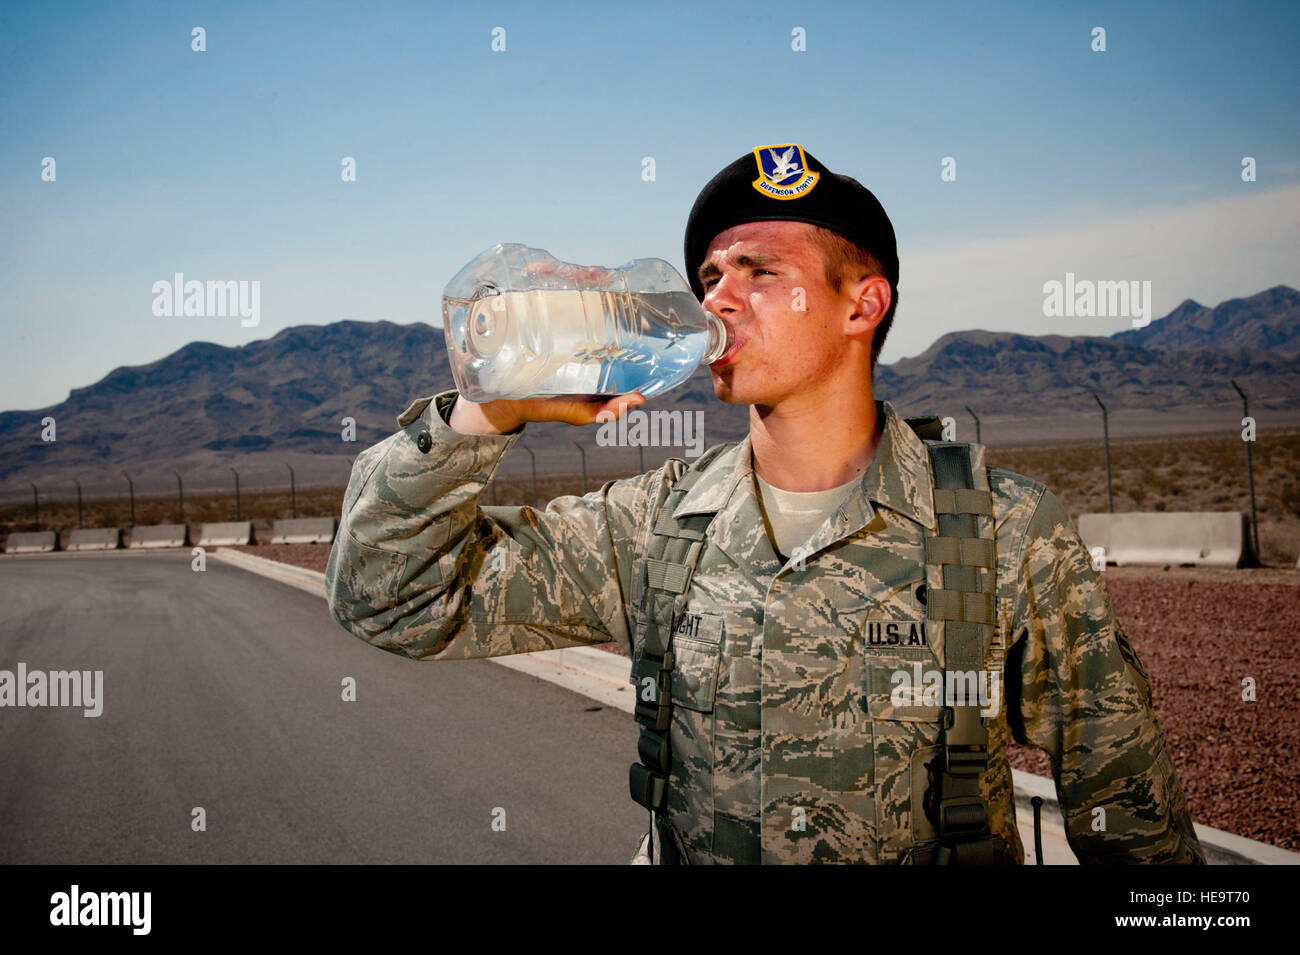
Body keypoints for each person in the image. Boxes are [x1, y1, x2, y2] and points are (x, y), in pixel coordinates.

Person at [325, 143, 1204, 865]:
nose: (716, 295)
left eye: (759, 269)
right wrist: (490, 410)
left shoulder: (1000, 532)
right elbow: (392, 599)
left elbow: (1133, 824)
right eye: (710, 273)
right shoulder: (654, 527)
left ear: (864, 304)